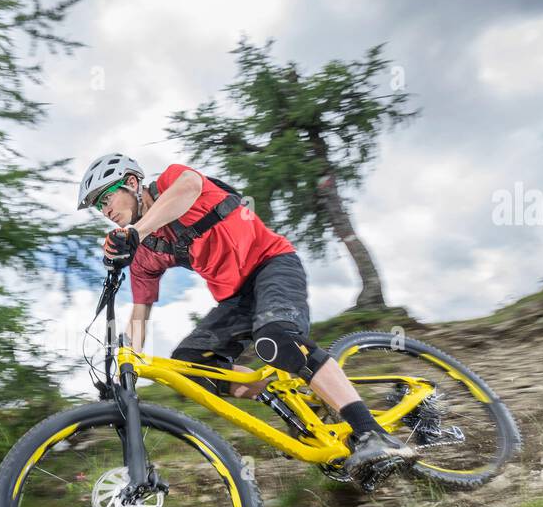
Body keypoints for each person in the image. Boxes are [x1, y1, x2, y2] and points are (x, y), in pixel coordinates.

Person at [77, 152, 416, 485]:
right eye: (97, 206)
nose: (105, 210)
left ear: (133, 183)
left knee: (275, 339)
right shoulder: (145, 254)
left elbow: (190, 188)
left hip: (273, 265)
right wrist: (128, 369)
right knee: (191, 368)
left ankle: (372, 433)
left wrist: (135, 231)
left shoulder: (171, 183)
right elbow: (140, 312)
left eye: (106, 197)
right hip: (236, 299)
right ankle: (293, 406)